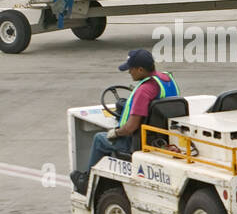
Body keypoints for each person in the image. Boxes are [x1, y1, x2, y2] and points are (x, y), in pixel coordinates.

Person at [71, 49, 179, 194]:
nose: (129, 72)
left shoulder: (144, 90)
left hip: (138, 142)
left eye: (131, 69)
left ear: (140, 69)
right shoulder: (166, 80)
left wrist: (115, 133)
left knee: (99, 139)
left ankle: (87, 183)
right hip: (163, 137)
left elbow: (130, 127)